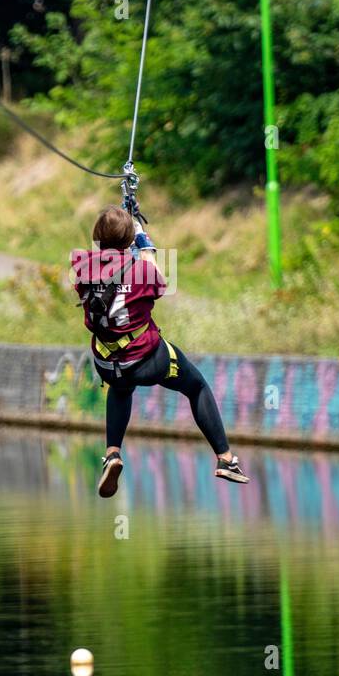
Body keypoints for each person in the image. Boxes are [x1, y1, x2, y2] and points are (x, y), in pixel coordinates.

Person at [70, 204, 249, 497]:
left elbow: (108, 262)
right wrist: (141, 238)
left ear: (97, 239)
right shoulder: (141, 270)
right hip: (146, 358)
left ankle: (113, 453)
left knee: (120, 387)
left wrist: (124, 234)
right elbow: (154, 275)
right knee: (196, 386)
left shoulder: (81, 268)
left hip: (108, 362)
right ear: (126, 240)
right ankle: (225, 458)